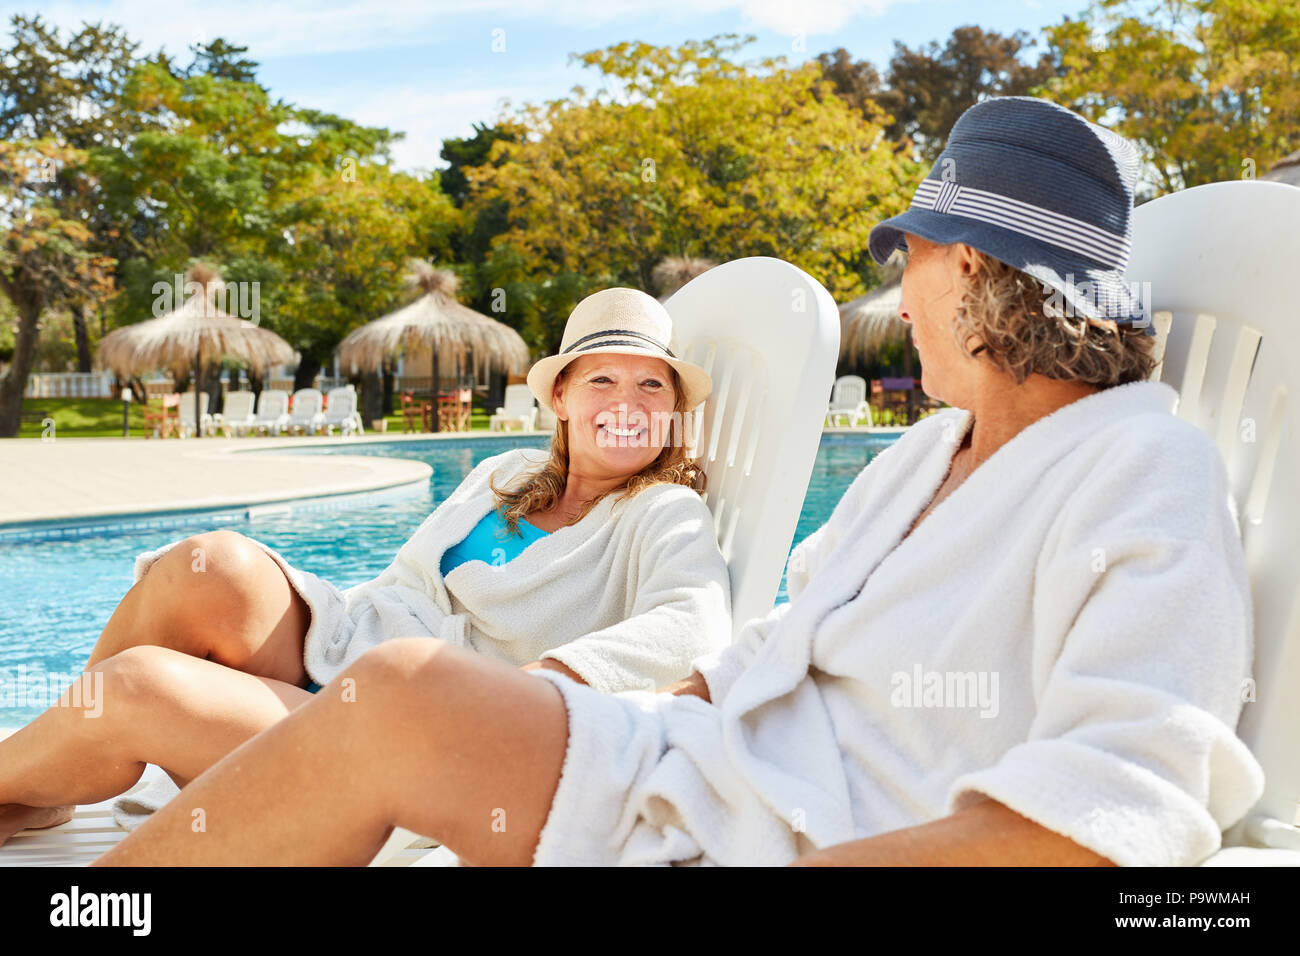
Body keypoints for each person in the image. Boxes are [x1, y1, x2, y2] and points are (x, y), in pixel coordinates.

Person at [95, 96, 1263, 868]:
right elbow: (774, 647)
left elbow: (1119, 804)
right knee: (400, 695)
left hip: (804, 832)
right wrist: (603, 717)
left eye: (909, 266)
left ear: (976, 271)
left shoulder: (1142, 468)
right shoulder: (924, 458)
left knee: (399, 699)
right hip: (705, 770)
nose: (900, 304)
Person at [0, 288, 730, 845]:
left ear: (672, 412)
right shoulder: (508, 472)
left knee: (139, 687)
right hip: (350, 647)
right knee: (207, 563)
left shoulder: (660, 511)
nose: (626, 403)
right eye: (603, 381)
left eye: (651, 386)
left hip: (410, 722)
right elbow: (404, 587)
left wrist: (531, 689)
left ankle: (34, 777)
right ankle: (49, 774)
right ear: (563, 397)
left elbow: (693, 624)